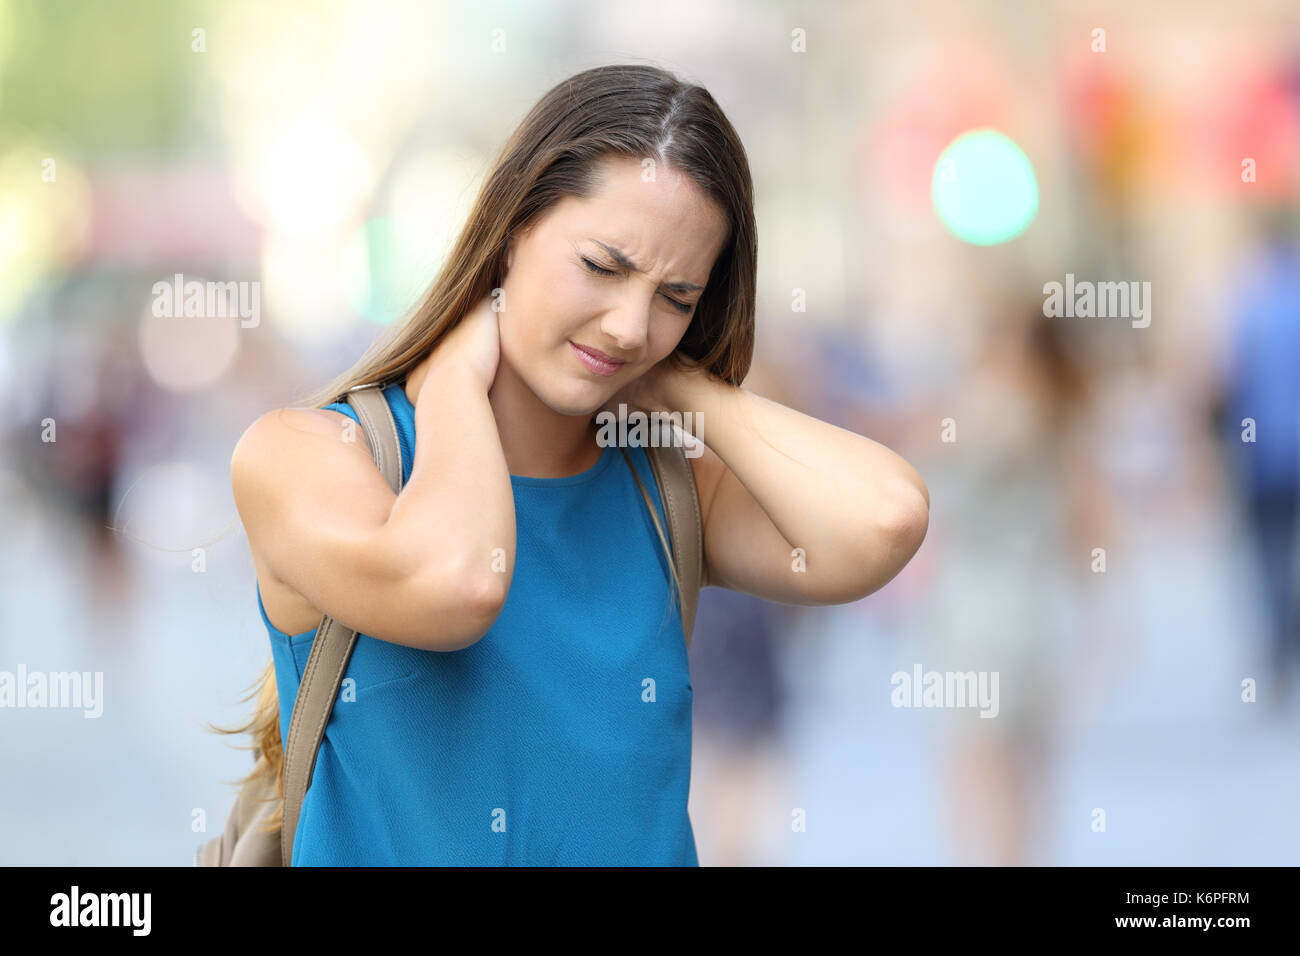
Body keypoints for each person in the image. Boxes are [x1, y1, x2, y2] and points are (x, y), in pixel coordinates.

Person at [218, 63, 929, 866]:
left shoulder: (665, 485)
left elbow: (885, 519)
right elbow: (459, 582)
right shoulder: (309, 454)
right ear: (512, 228)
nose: (630, 324)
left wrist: (683, 383)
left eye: (677, 297)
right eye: (603, 267)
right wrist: (453, 379)